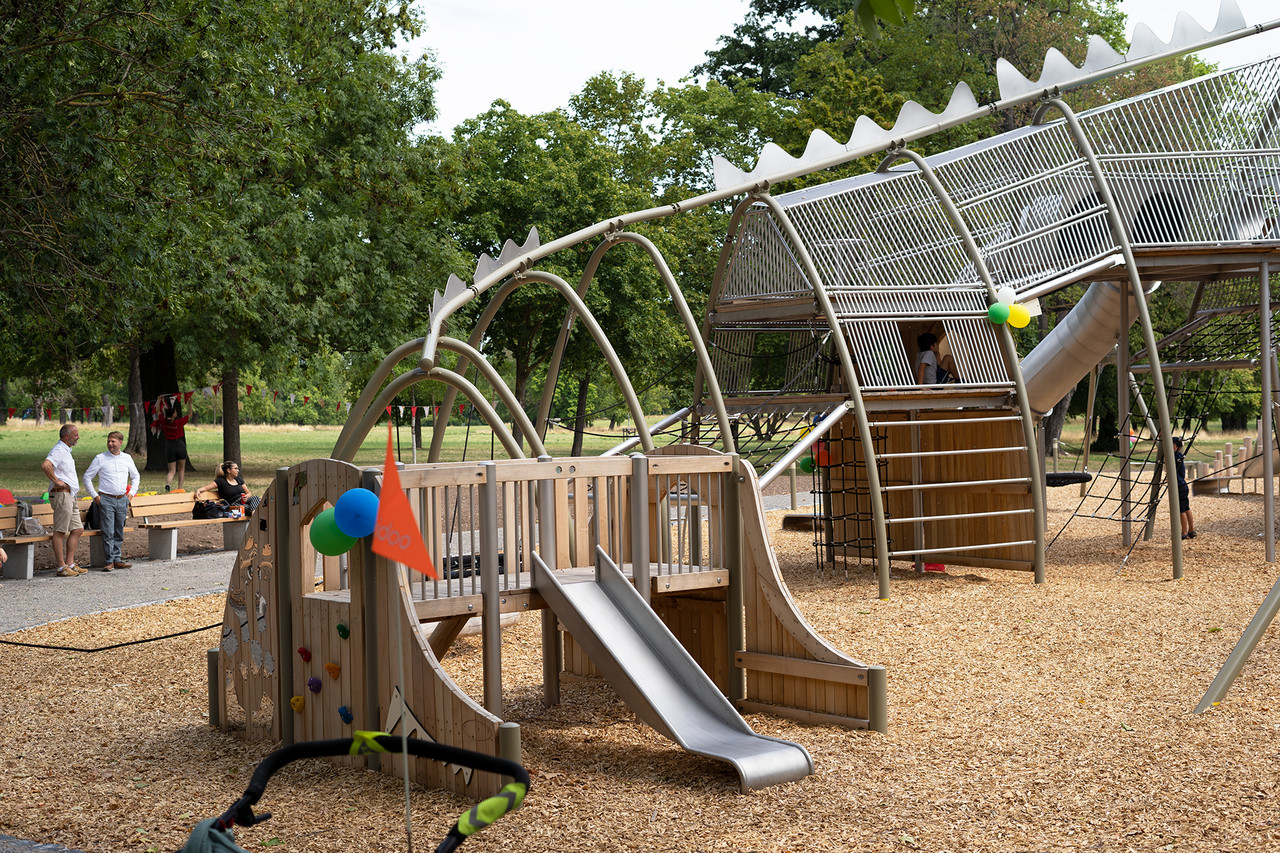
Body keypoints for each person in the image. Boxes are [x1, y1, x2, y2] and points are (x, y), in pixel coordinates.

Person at [83, 430, 141, 571]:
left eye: (113, 441)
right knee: (108, 530)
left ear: (120, 443)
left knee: (118, 530)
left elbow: (135, 476)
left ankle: (117, 558)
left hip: (122, 499)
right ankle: (109, 561)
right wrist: (96, 496)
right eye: (108, 441)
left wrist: (131, 493)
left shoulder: (127, 458)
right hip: (106, 499)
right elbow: (87, 477)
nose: (110, 444)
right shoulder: (100, 458)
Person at [41, 423, 85, 577]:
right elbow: (46, 465)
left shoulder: (66, 451)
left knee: (78, 529)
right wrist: (57, 482)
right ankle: (61, 567)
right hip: (61, 495)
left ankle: (70, 563)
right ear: (67, 436)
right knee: (60, 531)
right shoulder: (59, 450)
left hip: (69, 495)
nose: (78, 437)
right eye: (76, 434)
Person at [160, 396, 190, 492]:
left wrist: (159, 400)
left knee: (171, 470)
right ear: (174, 415)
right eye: (175, 412)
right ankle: (180, 488)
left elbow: (158, 412)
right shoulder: (179, 422)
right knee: (181, 469)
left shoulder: (164, 421)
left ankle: (168, 483)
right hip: (180, 445)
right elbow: (189, 414)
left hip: (170, 446)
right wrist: (190, 404)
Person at [1173, 436, 1197, 540]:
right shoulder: (1179, 455)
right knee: (1187, 508)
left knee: (1181, 510)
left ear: (1177, 447)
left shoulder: (1174, 456)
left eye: (1171, 445)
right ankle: (1191, 530)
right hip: (1183, 485)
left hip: (1178, 486)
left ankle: (1184, 532)